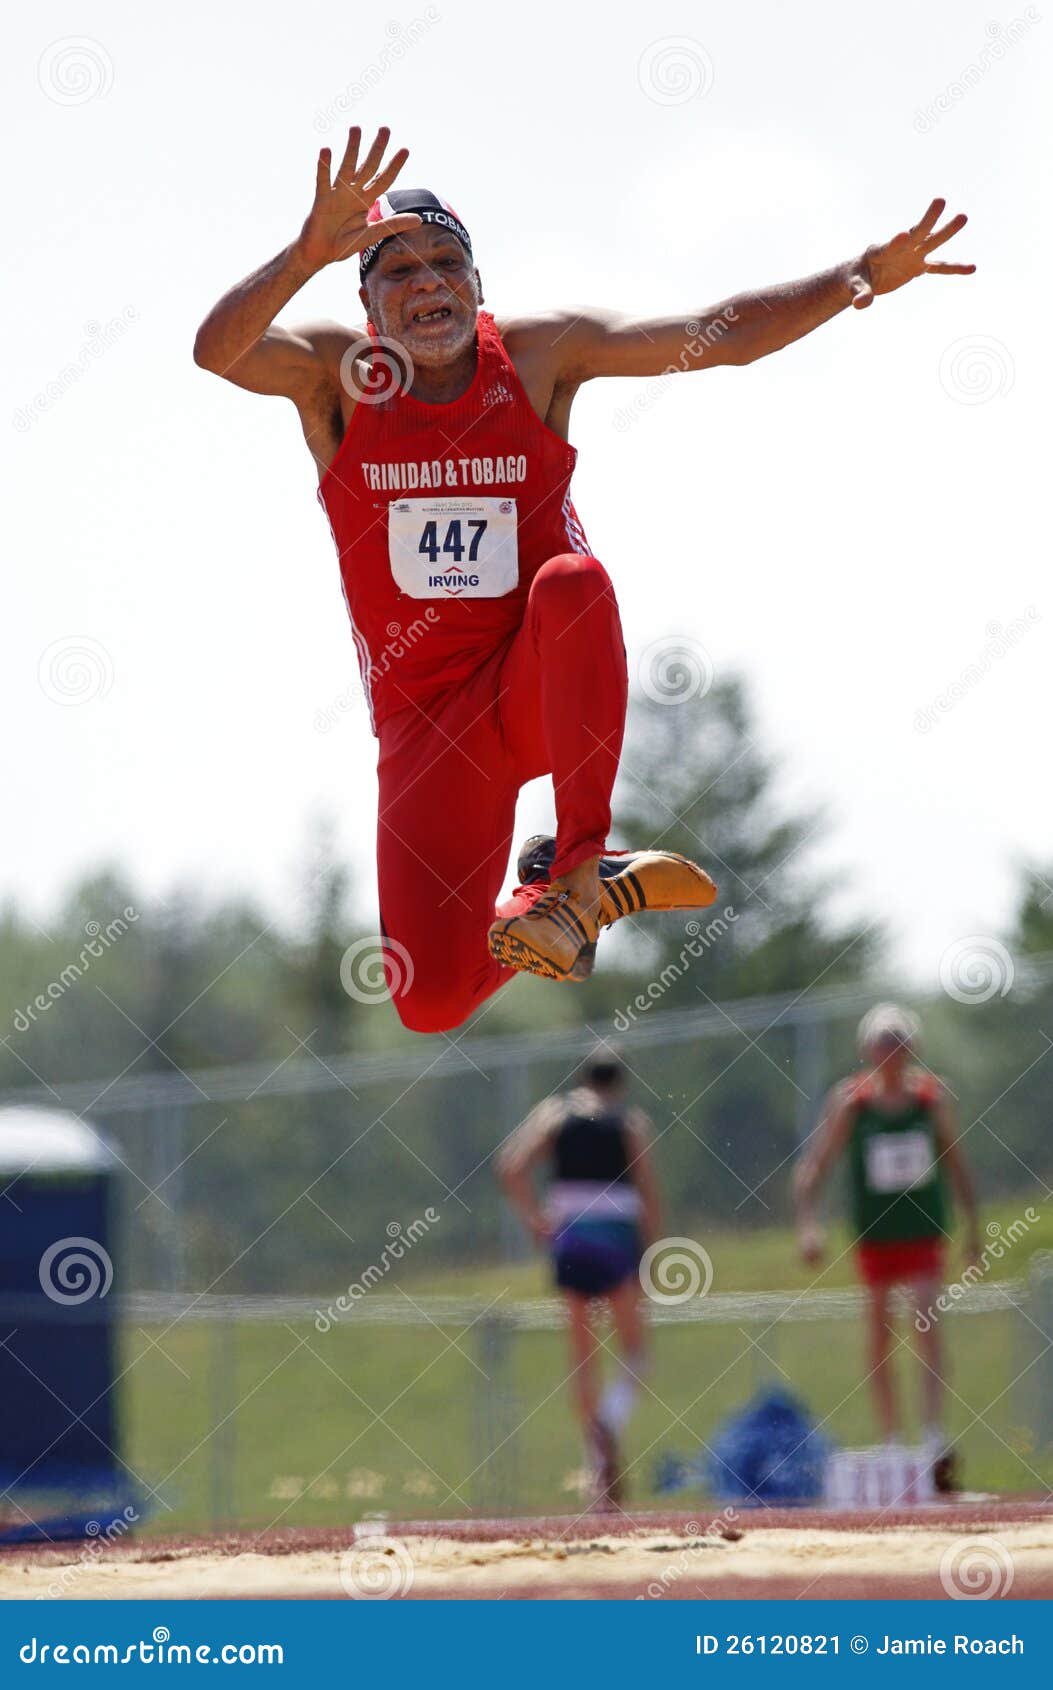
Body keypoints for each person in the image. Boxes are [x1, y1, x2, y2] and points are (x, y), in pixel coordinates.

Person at [193, 126, 974, 1032]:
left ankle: (574, 871)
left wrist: (861, 276)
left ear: (478, 284)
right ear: (367, 305)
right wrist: (302, 255)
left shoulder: (533, 358)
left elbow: (714, 337)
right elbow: (218, 352)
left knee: (571, 580)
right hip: (426, 728)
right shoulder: (343, 377)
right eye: (396, 272)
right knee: (430, 1002)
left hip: (541, 680)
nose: (428, 284)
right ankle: (563, 896)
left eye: (446, 262)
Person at [793, 1003, 981, 1481]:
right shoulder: (850, 1102)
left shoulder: (930, 1101)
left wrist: (974, 1231)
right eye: (882, 1042)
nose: (890, 1050)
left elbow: (957, 1165)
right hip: (876, 1237)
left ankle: (933, 1433)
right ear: (866, 1050)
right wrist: (808, 1223)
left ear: (912, 1048)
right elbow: (814, 1167)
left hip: (922, 1234)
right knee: (879, 1334)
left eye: (898, 1040)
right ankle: (893, 1440)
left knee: (926, 1323)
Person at [497, 1048, 660, 1509]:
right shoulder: (631, 1123)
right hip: (616, 1237)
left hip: (570, 1237)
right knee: (636, 1355)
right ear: (619, 1084)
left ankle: (596, 1478)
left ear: (582, 1080)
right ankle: (609, 1421)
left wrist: (534, 1219)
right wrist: (649, 1256)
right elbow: (648, 1192)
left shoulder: (555, 1113)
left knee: (583, 1360)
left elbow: (510, 1166)